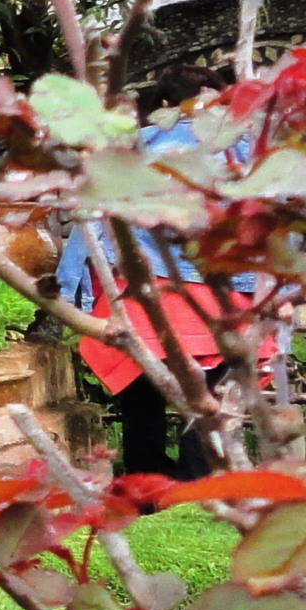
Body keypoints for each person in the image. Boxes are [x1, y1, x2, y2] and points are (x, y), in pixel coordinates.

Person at [55, 65, 229, 475]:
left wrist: (74, 293)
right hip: (213, 300)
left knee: (140, 401)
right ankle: (195, 482)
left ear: (164, 104)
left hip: (136, 299)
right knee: (206, 396)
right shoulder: (234, 152)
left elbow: (90, 230)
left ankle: (145, 487)